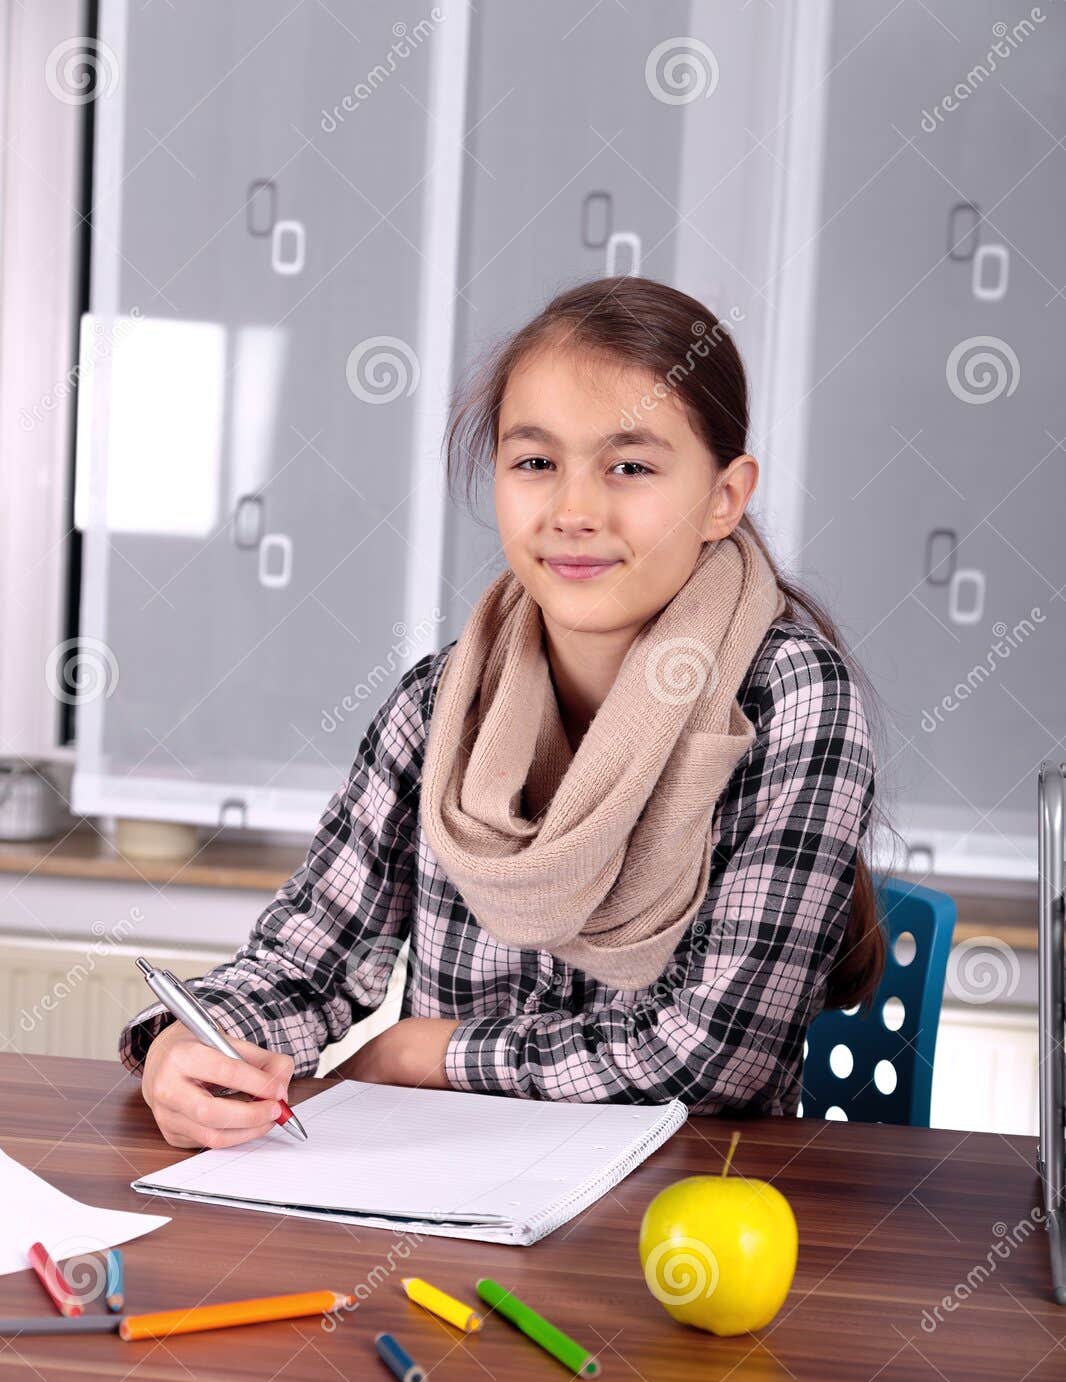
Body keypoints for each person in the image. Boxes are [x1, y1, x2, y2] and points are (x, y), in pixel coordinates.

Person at [119, 276, 885, 1150]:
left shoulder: (793, 697)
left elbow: (714, 1058)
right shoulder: (440, 703)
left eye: (630, 466)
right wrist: (187, 1043)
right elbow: (307, 964)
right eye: (535, 463)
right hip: (442, 1204)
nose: (574, 510)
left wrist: (431, 1055)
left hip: (678, 1222)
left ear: (724, 496)